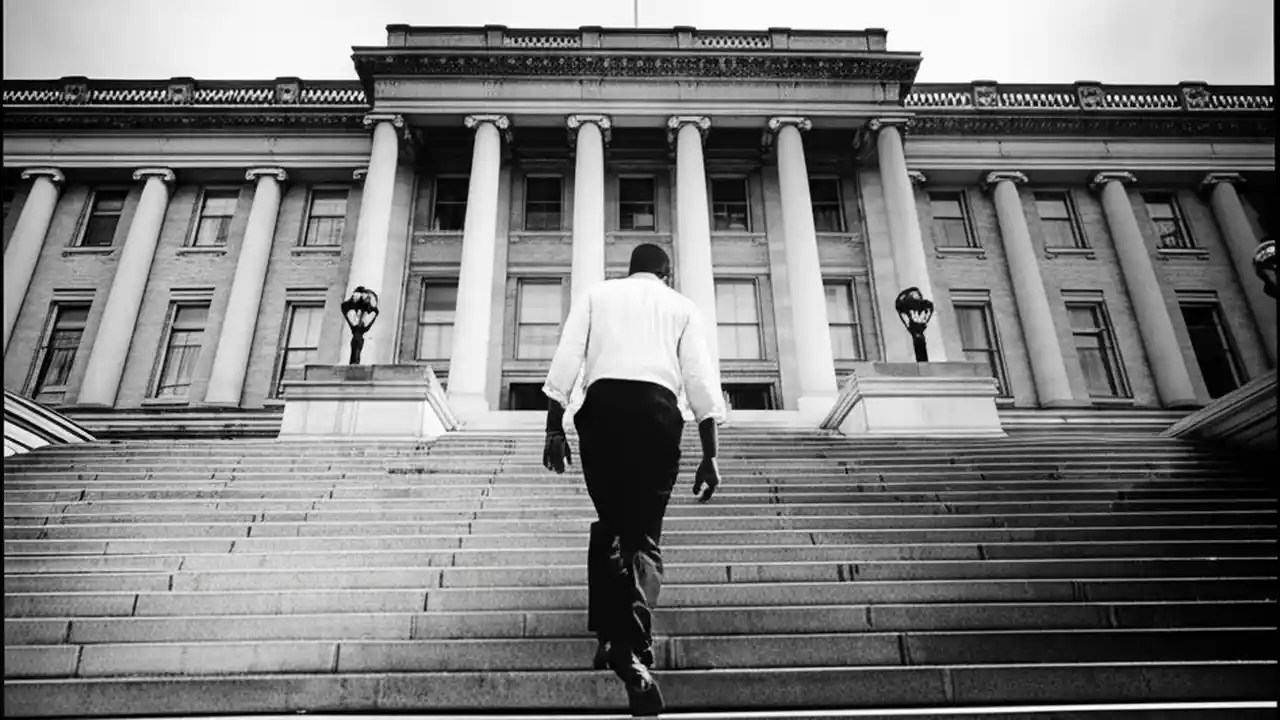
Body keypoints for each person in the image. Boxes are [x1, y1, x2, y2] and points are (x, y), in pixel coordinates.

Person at [541, 243, 726, 712]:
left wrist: (553, 428)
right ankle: (635, 650)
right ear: (667, 273)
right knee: (642, 535)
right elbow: (700, 380)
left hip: (600, 412)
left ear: (629, 271)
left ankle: (607, 634)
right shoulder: (682, 307)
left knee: (610, 524)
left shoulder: (596, 295)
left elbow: (567, 358)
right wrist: (710, 456)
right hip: (657, 415)